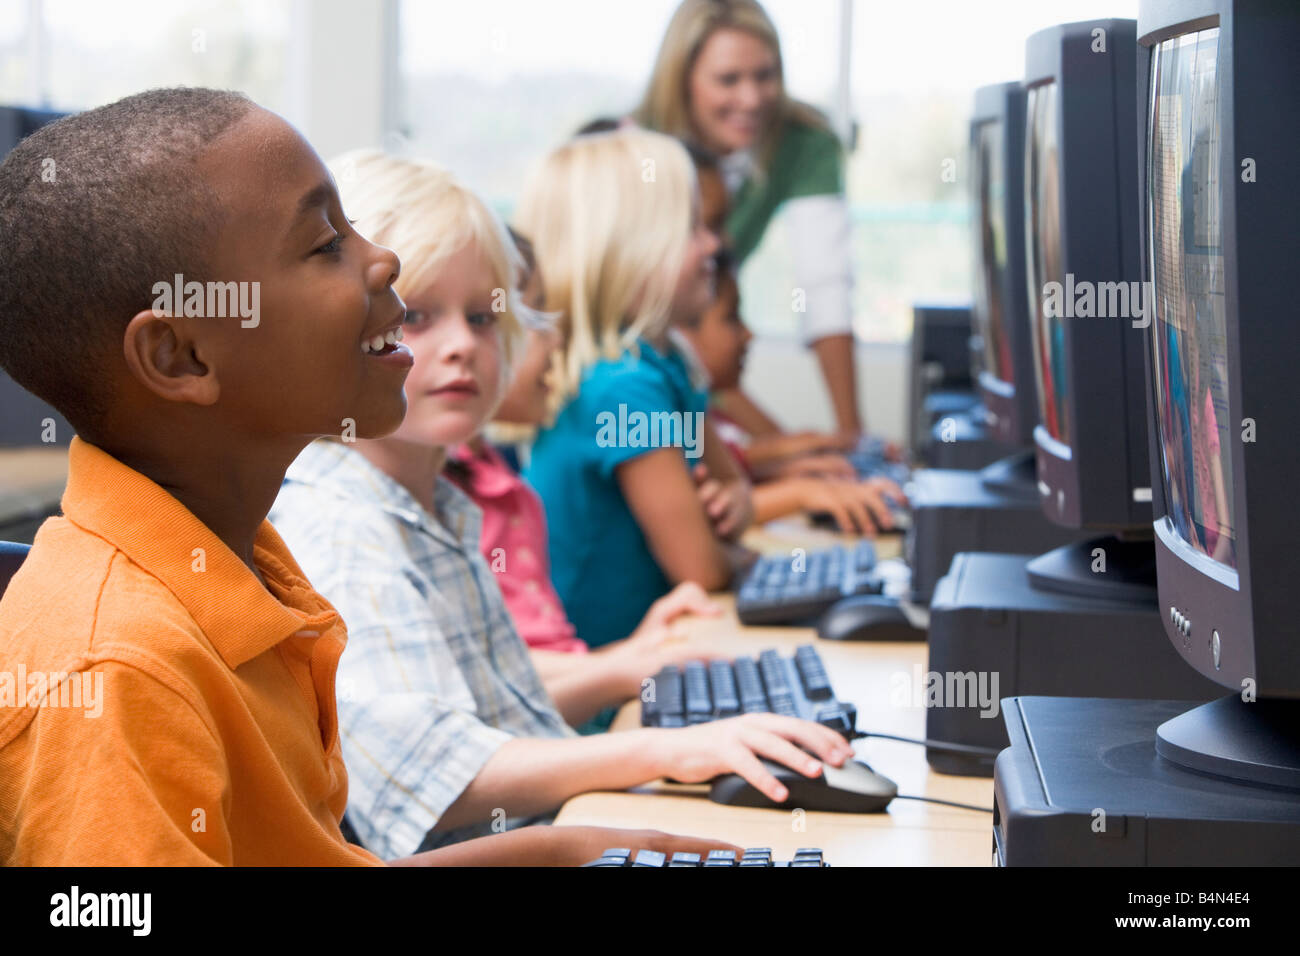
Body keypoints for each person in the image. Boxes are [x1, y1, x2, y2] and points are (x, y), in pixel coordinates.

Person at [0, 89, 732, 866]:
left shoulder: (246, 568)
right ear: (184, 357)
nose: (383, 261)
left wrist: (562, 852)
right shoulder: (122, 670)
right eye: (325, 244)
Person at [270, 151, 853, 859]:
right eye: (417, 314)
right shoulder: (341, 526)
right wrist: (664, 749)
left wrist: (633, 668)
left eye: (483, 317)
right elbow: (437, 773)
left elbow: (483, 704)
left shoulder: (433, 506)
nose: (460, 346)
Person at [446, 228, 726, 725]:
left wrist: (631, 655)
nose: (555, 337)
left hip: (574, 716)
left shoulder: (498, 479)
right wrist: (623, 669)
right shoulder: (624, 385)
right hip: (569, 733)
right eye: (528, 317)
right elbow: (480, 707)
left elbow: (509, 670)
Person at [521, 128, 755, 650]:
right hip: (601, 693)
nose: (713, 244)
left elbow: (731, 485)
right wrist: (733, 549)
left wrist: (738, 504)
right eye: (692, 227)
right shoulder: (621, 386)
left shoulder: (664, 362)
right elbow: (702, 569)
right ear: (625, 250)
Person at [636, 0, 863, 437]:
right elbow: (680, 341)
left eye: (765, 75)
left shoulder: (804, 142)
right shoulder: (637, 150)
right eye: (728, 79)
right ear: (682, 81)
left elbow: (825, 288)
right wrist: (784, 445)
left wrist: (849, 437)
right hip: (653, 383)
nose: (752, 98)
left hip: (689, 388)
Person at [682, 264, 905, 535]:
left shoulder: (700, 406)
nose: (749, 334)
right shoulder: (652, 399)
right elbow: (699, 514)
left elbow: (737, 468)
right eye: (731, 318)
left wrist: (791, 469)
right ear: (681, 333)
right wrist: (803, 492)